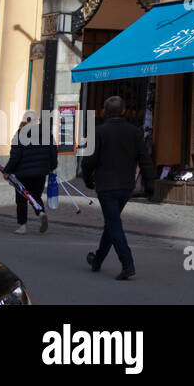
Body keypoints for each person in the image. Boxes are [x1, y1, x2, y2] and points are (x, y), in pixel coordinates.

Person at [80, 96, 156, 280]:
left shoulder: (98, 132)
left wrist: (88, 179)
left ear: (106, 112)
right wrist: (150, 185)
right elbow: (145, 161)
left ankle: (127, 263)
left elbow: (89, 160)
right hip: (125, 186)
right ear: (123, 111)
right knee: (111, 223)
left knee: (114, 225)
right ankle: (97, 260)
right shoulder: (134, 132)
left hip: (106, 186)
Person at [5, 111, 57, 234]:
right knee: (35, 196)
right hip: (40, 173)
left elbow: (15, 156)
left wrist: (7, 170)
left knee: (21, 199)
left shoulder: (20, 134)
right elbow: (53, 152)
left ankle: (22, 226)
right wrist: (52, 167)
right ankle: (41, 213)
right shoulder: (46, 134)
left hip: (22, 174)